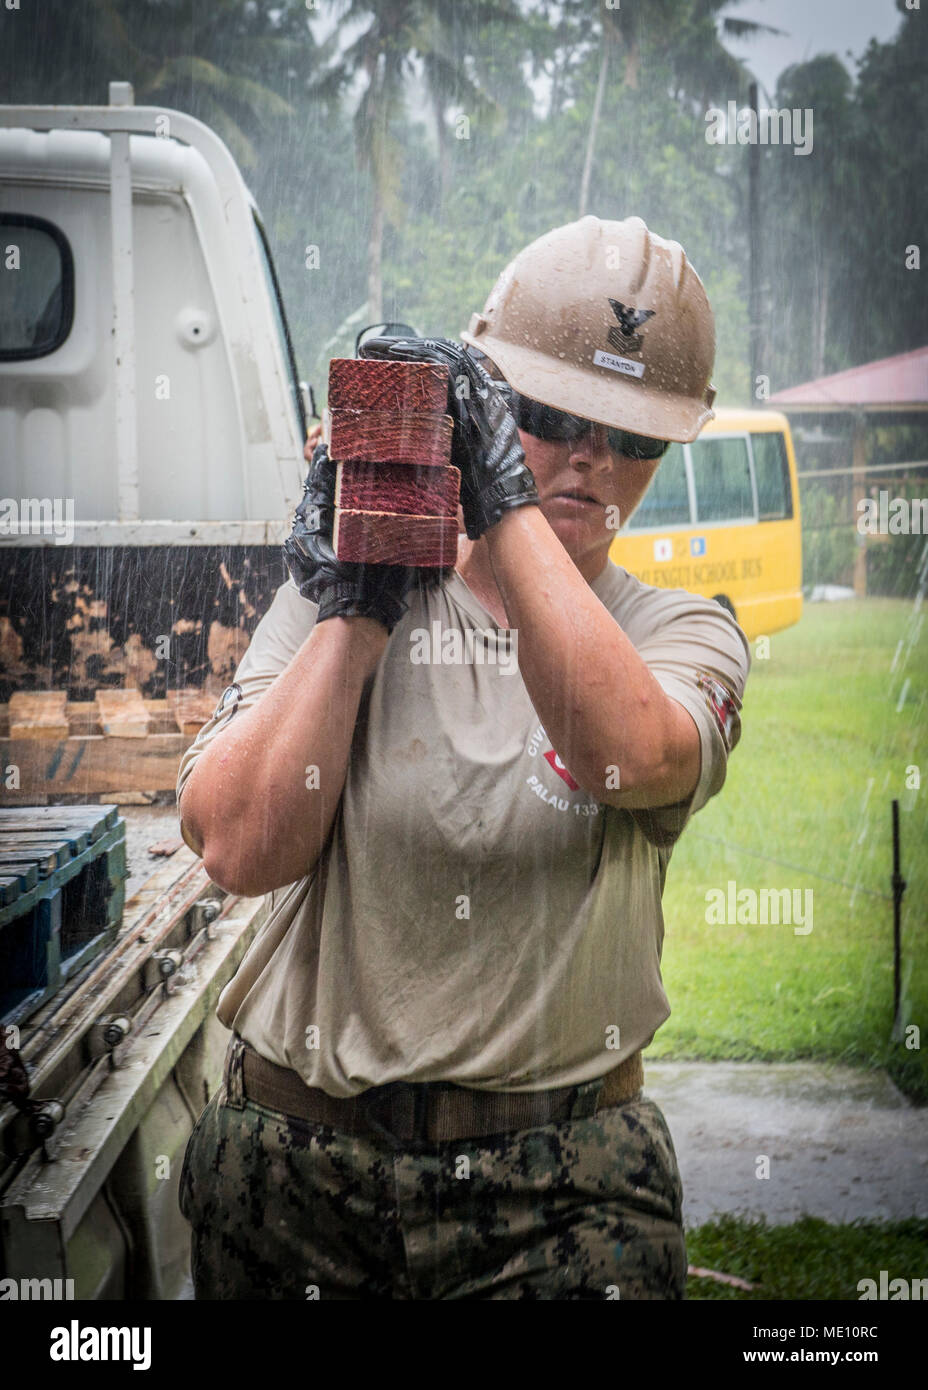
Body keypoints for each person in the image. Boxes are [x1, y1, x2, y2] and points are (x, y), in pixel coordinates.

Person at [176, 214, 749, 1301]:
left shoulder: (680, 633)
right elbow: (240, 846)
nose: (591, 455)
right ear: (488, 400)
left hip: (560, 1188)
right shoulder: (353, 592)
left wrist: (502, 494)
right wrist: (361, 607)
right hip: (301, 1171)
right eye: (546, 415)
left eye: (631, 437)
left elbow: (627, 753)